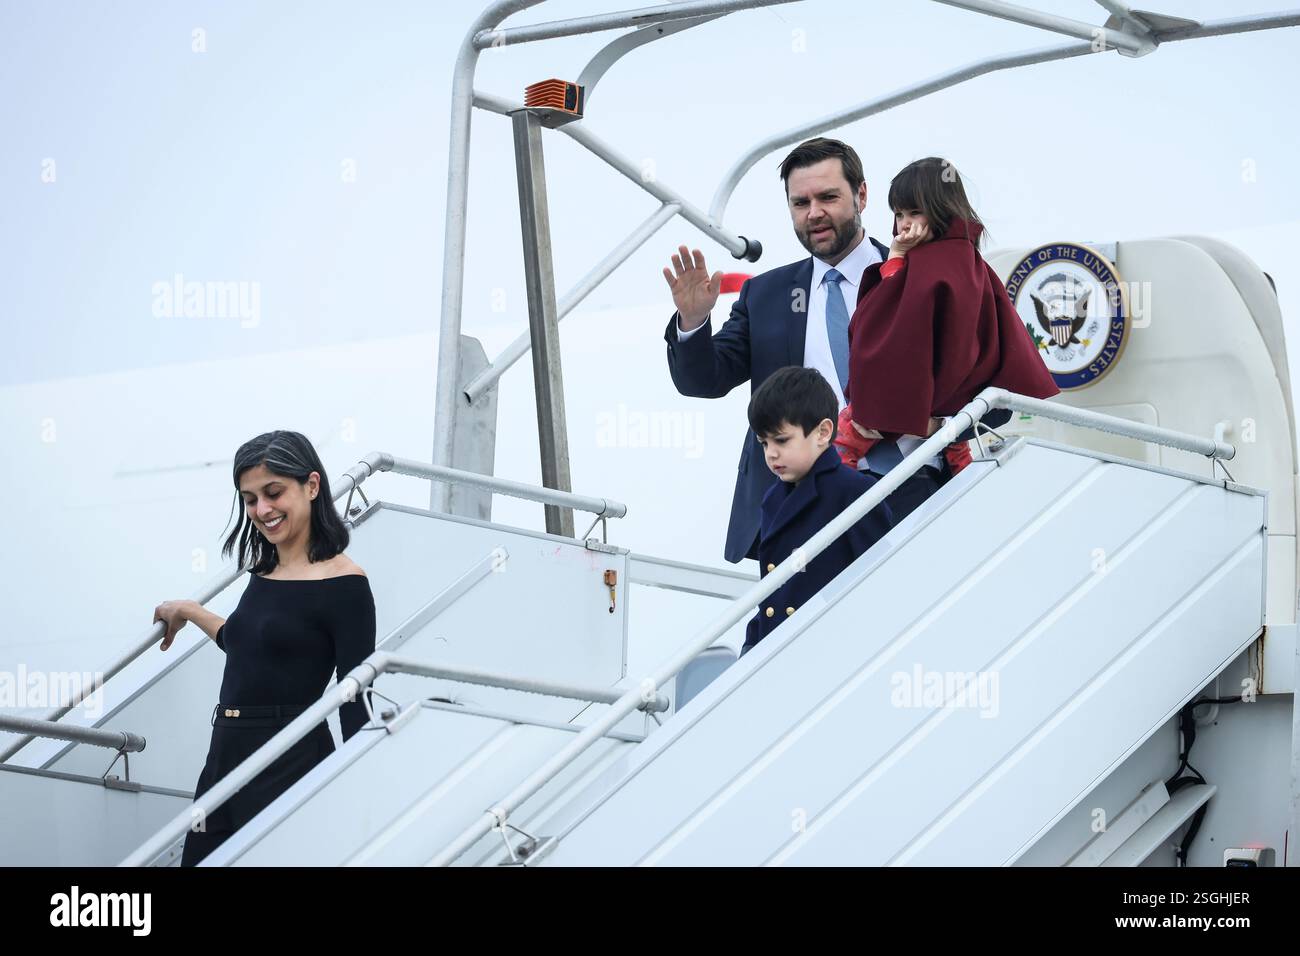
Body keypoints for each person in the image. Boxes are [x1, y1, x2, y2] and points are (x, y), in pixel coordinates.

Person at [151, 430, 376, 866]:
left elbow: (355, 695)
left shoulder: (345, 584)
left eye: (273, 493)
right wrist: (192, 610)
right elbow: (242, 642)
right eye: (250, 499)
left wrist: (360, 790)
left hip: (288, 757)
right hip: (224, 753)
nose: (262, 510)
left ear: (311, 486)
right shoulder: (264, 569)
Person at [663, 137, 892, 564]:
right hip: (794, 509)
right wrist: (693, 322)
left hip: (905, 489)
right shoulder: (764, 294)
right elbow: (704, 380)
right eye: (800, 202)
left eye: (828, 197)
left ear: (861, 194)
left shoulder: (912, 278)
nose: (814, 213)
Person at [836, 157, 1060, 521]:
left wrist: (894, 263)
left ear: (940, 211)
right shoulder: (972, 265)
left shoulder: (928, 269)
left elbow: (885, 333)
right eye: (898, 213)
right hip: (950, 425)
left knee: (842, 453)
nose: (904, 224)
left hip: (897, 432)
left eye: (914, 212)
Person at [742, 367, 893, 654]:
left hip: (833, 648)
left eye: (781, 440)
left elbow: (878, 583)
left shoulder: (854, 492)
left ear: (823, 432)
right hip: (779, 646)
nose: (771, 453)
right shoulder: (773, 498)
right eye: (764, 443)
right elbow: (772, 592)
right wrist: (752, 647)